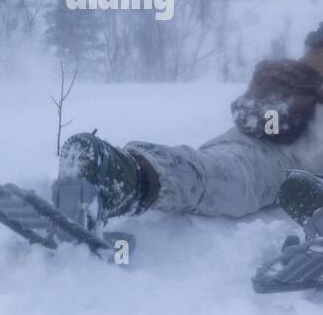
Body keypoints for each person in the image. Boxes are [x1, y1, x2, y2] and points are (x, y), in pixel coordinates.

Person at [55, 25, 323, 229]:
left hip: (252, 148)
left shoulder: (290, 81)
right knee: (215, 176)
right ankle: (118, 177)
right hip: (273, 158)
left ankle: (116, 174)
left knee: (208, 171)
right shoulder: (299, 88)